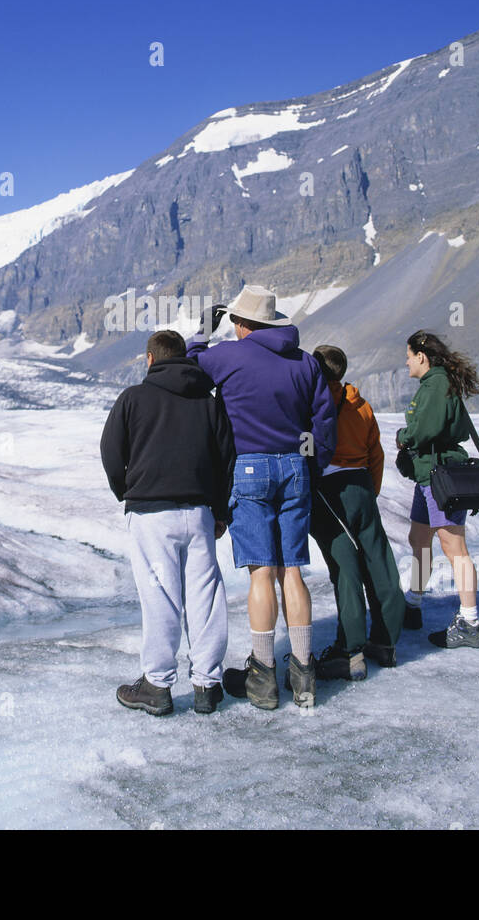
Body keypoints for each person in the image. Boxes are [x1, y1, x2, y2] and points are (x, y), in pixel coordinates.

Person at [187, 286, 336, 709]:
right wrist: (314, 463)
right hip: (294, 467)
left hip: (249, 469)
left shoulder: (230, 356)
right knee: (293, 571)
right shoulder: (305, 363)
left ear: (240, 324)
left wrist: (202, 331)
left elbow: (189, 364)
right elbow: (322, 421)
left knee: (260, 573)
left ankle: (264, 676)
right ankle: (304, 673)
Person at [101, 329, 237, 716]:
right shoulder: (208, 402)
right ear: (184, 359)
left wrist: (128, 490)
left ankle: (157, 686)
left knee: (159, 594)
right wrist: (220, 511)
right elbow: (227, 458)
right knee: (205, 597)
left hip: (150, 514)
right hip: (199, 514)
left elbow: (111, 451)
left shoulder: (133, 398)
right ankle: (207, 685)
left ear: (150, 359)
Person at [308, 344, 406, 680]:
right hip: (362, 485)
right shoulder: (360, 404)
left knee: (344, 567)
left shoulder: (314, 401)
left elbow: (309, 446)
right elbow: (375, 452)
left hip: (329, 491)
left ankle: (349, 650)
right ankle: (387, 641)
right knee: (378, 559)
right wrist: (370, 491)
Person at [395, 330, 479, 649]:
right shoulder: (435, 383)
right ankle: (413, 604)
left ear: (421, 356)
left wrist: (404, 437)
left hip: (440, 476)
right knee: (419, 538)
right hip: (429, 476)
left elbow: (425, 429)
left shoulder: (435, 385)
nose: (405, 361)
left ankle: (470, 623)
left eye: (408, 355)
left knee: (454, 547)